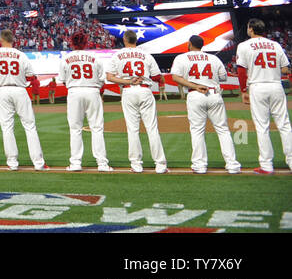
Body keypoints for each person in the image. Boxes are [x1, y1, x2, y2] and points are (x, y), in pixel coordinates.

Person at [171, 34, 241, 174]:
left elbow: (175, 77)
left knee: (197, 131)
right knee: (223, 130)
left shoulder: (182, 58)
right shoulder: (213, 58)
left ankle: (200, 165)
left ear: (189, 44)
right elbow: (223, 77)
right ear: (202, 45)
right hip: (214, 94)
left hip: (195, 94)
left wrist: (194, 84)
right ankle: (232, 165)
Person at [106, 30, 167, 174]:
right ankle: (160, 164)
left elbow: (109, 77)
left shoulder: (117, 55)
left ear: (125, 40)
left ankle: (136, 164)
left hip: (128, 91)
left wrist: (127, 80)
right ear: (136, 40)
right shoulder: (145, 54)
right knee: (152, 129)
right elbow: (157, 76)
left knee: (132, 129)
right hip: (145, 90)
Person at [235, 18, 290, 174]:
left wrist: (243, 90)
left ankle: (266, 165)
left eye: (248, 27)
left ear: (251, 29)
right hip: (276, 85)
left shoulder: (244, 46)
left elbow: (241, 71)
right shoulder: (275, 45)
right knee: (285, 125)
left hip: (258, 87)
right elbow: (285, 69)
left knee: (262, 127)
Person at [0, 30, 48, 171]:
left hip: (2, 90)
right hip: (20, 90)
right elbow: (31, 77)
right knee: (30, 126)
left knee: (7, 127)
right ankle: (38, 163)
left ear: (1, 39)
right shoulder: (21, 55)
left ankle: (12, 163)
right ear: (13, 40)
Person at [57, 31, 110, 172]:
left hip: (74, 92)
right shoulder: (95, 57)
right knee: (97, 128)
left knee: (75, 129)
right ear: (86, 42)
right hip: (92, 91)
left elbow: (62, 80)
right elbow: (102, 79)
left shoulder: (66, 58)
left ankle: (75, 163)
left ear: (72, 43)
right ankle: (102, 164)